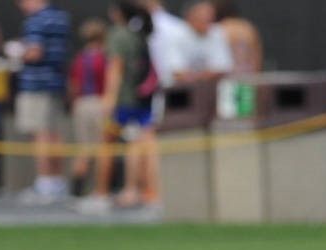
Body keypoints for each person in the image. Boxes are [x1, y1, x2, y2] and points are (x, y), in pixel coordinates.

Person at [95, 0, 158, 208]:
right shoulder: (140, 34)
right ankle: (146, 190)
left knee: (108, 144)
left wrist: (109, 97)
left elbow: (116, 67)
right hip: (143, 98)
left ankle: (103, 193)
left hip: (124, 99)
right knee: (141, 143)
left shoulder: (119, 34)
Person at [14, 0, 71, 205]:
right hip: (55, 82)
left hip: (36, 84)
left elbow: (34, 53)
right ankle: (56, 181)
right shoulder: (60, 17)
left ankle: (45, 182)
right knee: (53, 134)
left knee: (40, 134)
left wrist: (15, 51)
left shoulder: (35, 20)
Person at [66, 18, 108, 198]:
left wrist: (74, 102)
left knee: (84, 149)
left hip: (81, 104)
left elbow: (73, 85)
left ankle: (77, 192)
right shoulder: (104, 58)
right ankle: (99, 191)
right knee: (101, 149)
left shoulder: (80, 58)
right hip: (99, 103)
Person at [171, 0, 233, 83]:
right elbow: (176, 73)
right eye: (202, 16)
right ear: (190, 17)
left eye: (209, 16)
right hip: (181, 91)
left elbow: (223, 68)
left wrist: (196, 75)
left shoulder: (217, 32)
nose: (207, 19)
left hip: (210, 88)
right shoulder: (176, 34)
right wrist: (203, 74)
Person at [212, 0, 262, 74]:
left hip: (229, 77)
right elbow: (256, 56)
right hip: (249, 75)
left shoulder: (219, 28)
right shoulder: (247, 27)